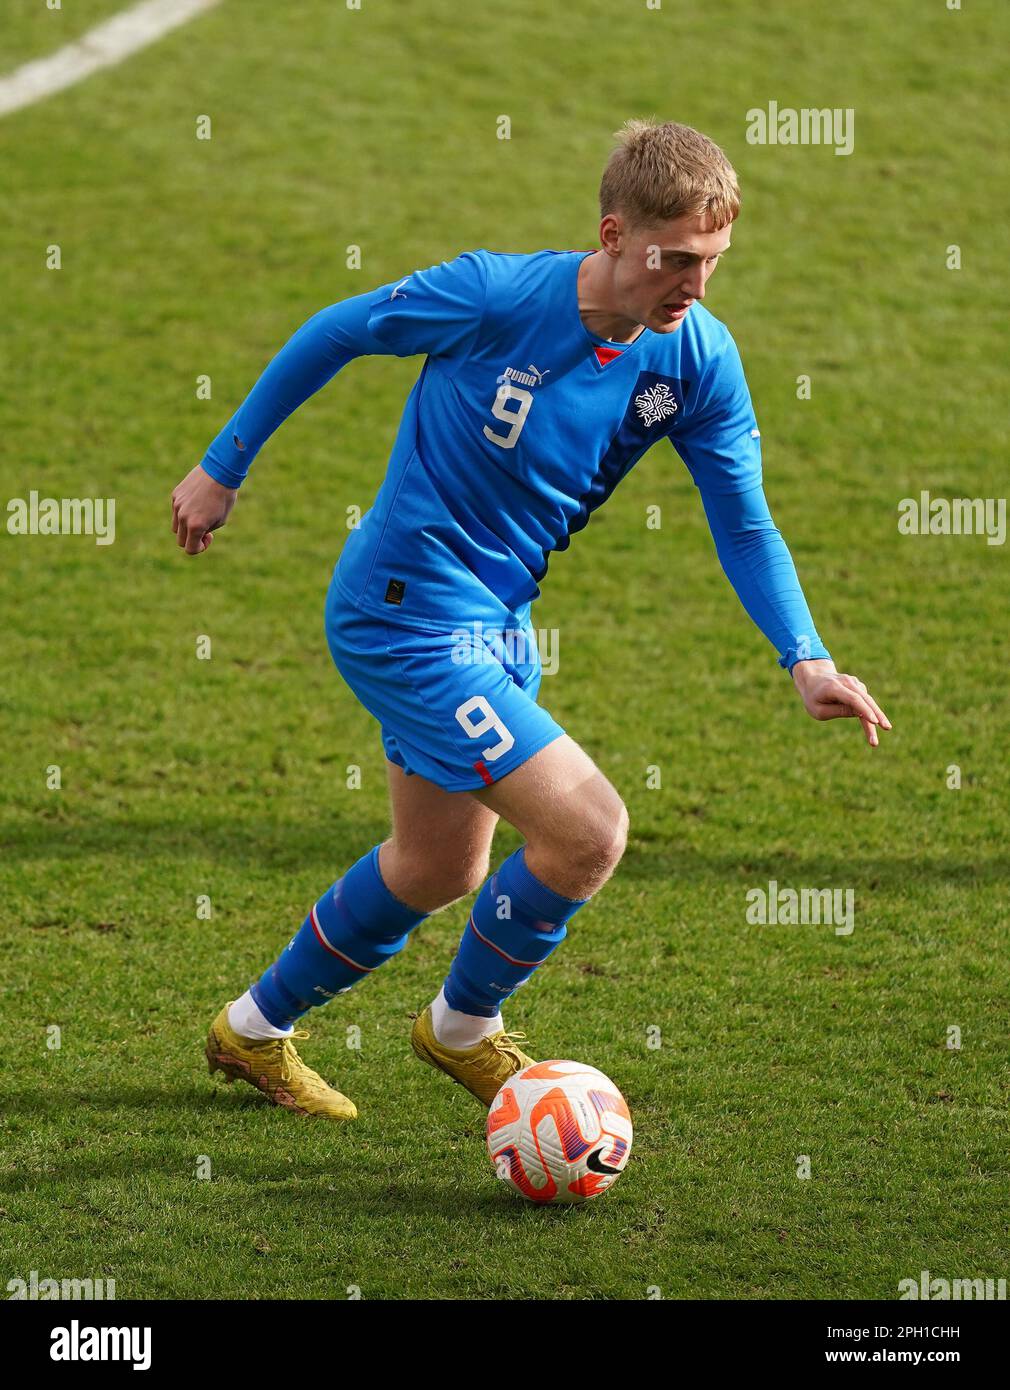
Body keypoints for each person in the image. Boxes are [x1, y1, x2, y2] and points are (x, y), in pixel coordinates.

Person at [172, 119, 890, 1119]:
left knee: (438, 865)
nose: (695, 284)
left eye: (713, 260)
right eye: (675, 259)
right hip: (405, 612)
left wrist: (803, 656)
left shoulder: (694, 360)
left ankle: (249, 1032)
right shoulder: (495, 296)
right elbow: (336, 329)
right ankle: (460, 1029)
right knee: (589, 831)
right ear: (611, 234)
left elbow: (743, 517)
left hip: (497, 625)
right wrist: (222, 465)